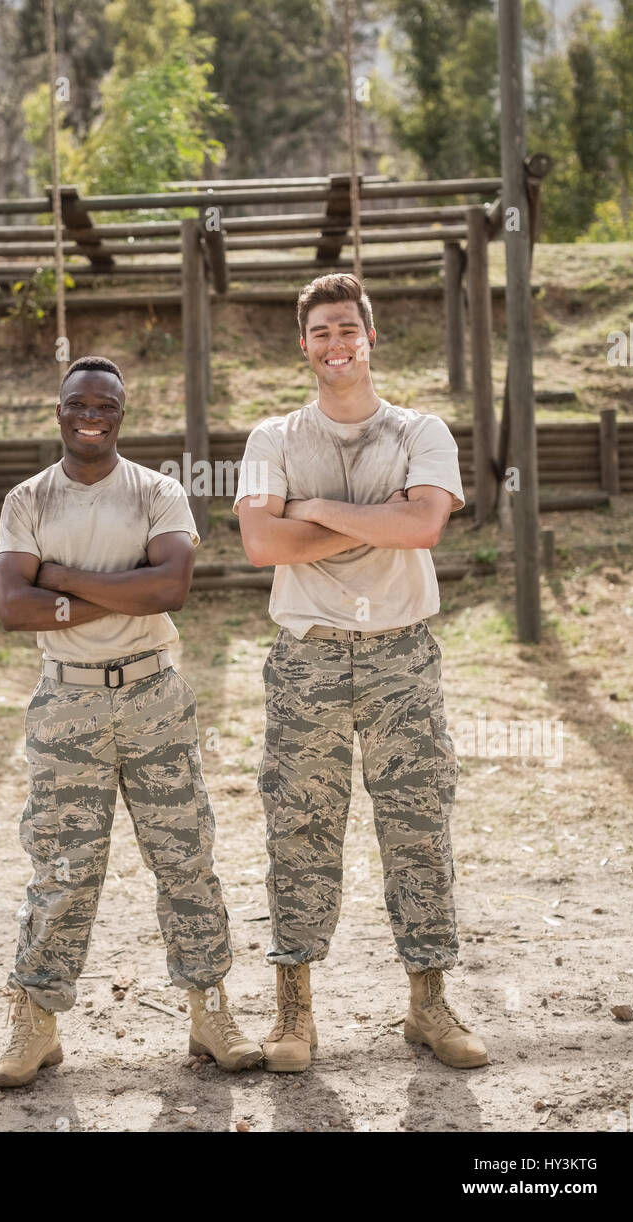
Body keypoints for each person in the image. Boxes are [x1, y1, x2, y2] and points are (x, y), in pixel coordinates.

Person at [234, 273, 488, 1073]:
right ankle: (293, 1013)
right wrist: (373, 526)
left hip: (400, 655)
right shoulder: (274, 438)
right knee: (299, 829)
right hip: (307, 656)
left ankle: (428, 1003)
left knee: (416, 827)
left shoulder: (421, 430)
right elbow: (260, 547)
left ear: (370, 337)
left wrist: (313, 509)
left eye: (347, 329)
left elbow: (423, 525)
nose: (335, 344)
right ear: (303, 345)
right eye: (320, 333)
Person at [0, 355, 261, 1087]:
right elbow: (13, 607)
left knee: (184, 856)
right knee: (62, 868)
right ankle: (35, 1022)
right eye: (77, 403)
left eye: (104, 405)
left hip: (153, 697)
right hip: (67, 700)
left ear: (120, 414)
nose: (90, 415)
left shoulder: (157, 491)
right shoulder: (28, 500)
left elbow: (171, 586)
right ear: (59, 412)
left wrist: (65, 581)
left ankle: (210, 1010)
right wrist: (125, 590)